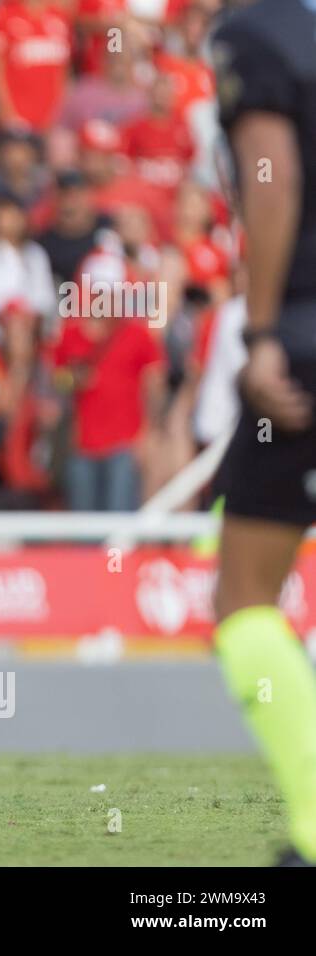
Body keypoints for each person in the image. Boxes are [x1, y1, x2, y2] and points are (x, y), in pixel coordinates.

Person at [210, 0, 316, 866]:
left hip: (307, 341)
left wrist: (261, 331)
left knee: (245, 598)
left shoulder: (260, 32)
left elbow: (271, 171)